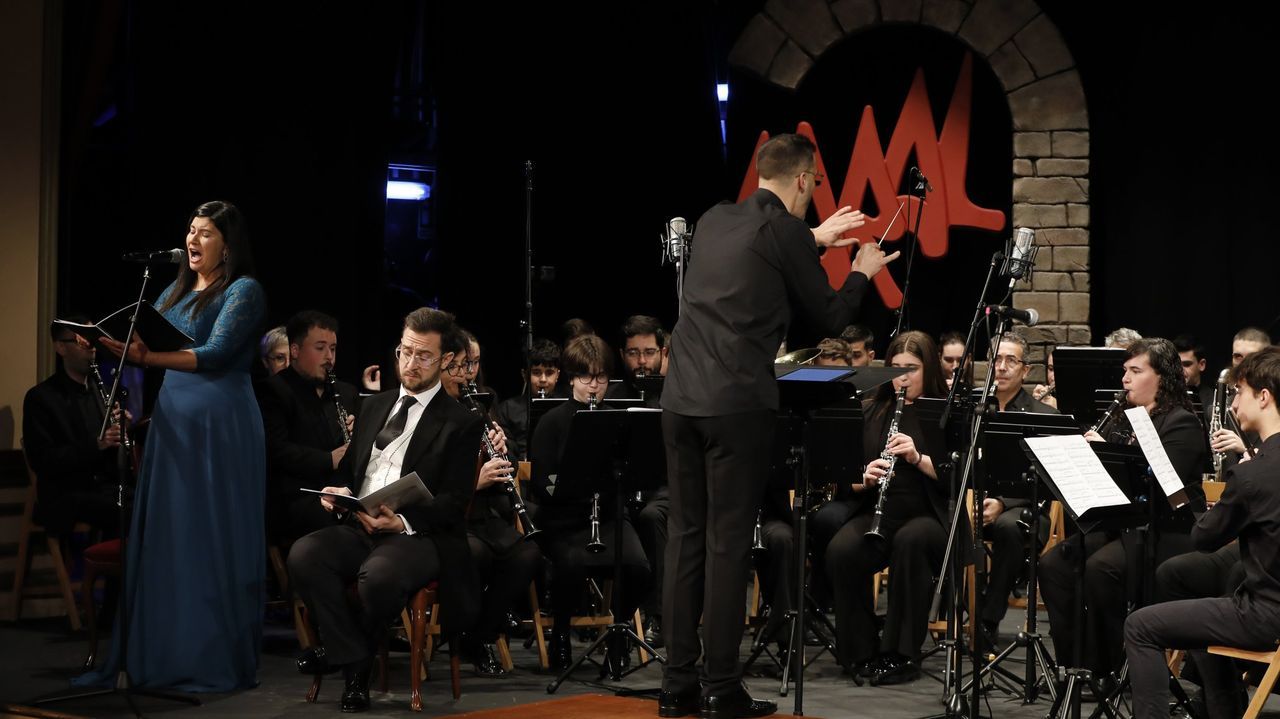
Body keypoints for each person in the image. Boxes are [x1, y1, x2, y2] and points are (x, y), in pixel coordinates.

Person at [659, 132, 897, 718]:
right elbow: (833, 319)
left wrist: (813, 239)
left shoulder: (716, 218)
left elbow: (757, 261)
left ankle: (676, 685)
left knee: (686, 537)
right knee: (727, 542)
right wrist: (861, 269)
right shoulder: (785, 230)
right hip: (736, 403)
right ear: (801, 180)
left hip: (681, 399)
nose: (814, 198)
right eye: (814, 186)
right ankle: (720, 688)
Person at [79, 200, 267, 691]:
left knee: (209, 535)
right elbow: (145, 342)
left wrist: (149, 355)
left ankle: (206, 657)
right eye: (190, 230)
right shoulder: (176, 287)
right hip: (175, 417)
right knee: (171, 533)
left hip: (220, 420)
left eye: (205, 233)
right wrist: (112, 345)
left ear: (228, 243)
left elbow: (216, 353)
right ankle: (154, 655)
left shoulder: (243, 290)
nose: (194, 240)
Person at [287, 308, 483, 712]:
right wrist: (338, 491)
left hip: (418, 534)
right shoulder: (374, 405)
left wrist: (404, 519)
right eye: (405, 351)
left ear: (446, 360)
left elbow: (454, 501)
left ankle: (350, 667)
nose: (410, 364)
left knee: (377, 577)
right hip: (362, 522)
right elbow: (350, 471)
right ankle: (353, 654)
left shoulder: (460, 422)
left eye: (424, 356)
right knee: (305, 555)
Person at [1037, 338, 1207, 683]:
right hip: (1125, 525)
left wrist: (1107, 454)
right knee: (1053, 564)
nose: (1125, 379)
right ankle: (1076, 664)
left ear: (1161, 377)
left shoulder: (1182, 423)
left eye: (1135, 371)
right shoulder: (1123, 418)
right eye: (1124, 371)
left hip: (1167, 529)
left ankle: (1108, 667)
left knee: (1102, 569)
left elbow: (1160, 484)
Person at [1125, 347, 1280, 719]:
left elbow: (1204, 539)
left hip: (1266, 615)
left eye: (1240, 391)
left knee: (1140, 625)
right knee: (1203, 584)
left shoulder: (1253, 473)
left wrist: (1224, 499)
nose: (1235, 402)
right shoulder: (1257, 467)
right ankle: (1223, 708)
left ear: (1263, 396)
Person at [824, 331, 949, 686]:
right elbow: (842, 474)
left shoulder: (942, 412)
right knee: (841, 551)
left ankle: (901, 654)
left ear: (929, 371)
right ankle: (860, 651)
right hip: (879, 510)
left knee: (911, 541)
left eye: (911, 369)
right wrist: (864, 477)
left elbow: (958, 477)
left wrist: (917, 456)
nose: (902, 377)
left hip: (930, 515)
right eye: (895, 369)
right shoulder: (870, 409)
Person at [530, 334, 652, 671]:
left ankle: (619, 631)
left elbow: (632, 470)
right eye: (586, 378)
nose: (594, 386)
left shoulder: (617, 418)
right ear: (572, 378)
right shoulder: (551, 421)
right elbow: (541, 483)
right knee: (569, 567)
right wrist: (569, 487)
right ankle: (561, 635)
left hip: (608, 517)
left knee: (639, 568)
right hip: (563, 519)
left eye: (600, 378)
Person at [978, 333, 1057, 641]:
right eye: (996, 360)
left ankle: (988, 617)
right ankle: (951, 611)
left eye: (1011, 360)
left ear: (1025, 371)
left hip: (1027, 509)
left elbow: (1045, 480)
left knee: (1009, 528)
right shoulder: (972, 411)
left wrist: (1001, 503)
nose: (1002, 367)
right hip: (975, 502)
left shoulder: (1044, 416)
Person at [258, 311, 359, 544]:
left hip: (343, 494)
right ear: (295, 351)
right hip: (297, 499)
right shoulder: (273, 390)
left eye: (333, 349)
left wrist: (359, 436)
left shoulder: (346, 393)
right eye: (320, 348)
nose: (329, 357)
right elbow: (275, 450)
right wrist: (329, 459)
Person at [23, 320, 126, 536]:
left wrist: (124, 428)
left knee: (152, 503)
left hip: (103, 487)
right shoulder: (41, 398)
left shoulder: (104, 392)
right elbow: (43, 460)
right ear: (61, 347)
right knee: (127, 512)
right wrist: (97, 444)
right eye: (83, 342)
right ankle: (113, 568)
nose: (93, 349)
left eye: (93, 342)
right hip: (66, 493)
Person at [494, 338, 561, 461]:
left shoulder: (564, 407)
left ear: (557, 375)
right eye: (536, 372)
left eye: (549, 373)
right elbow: (508, 452)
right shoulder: (507, 409)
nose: (543, 379)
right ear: (524, 375)